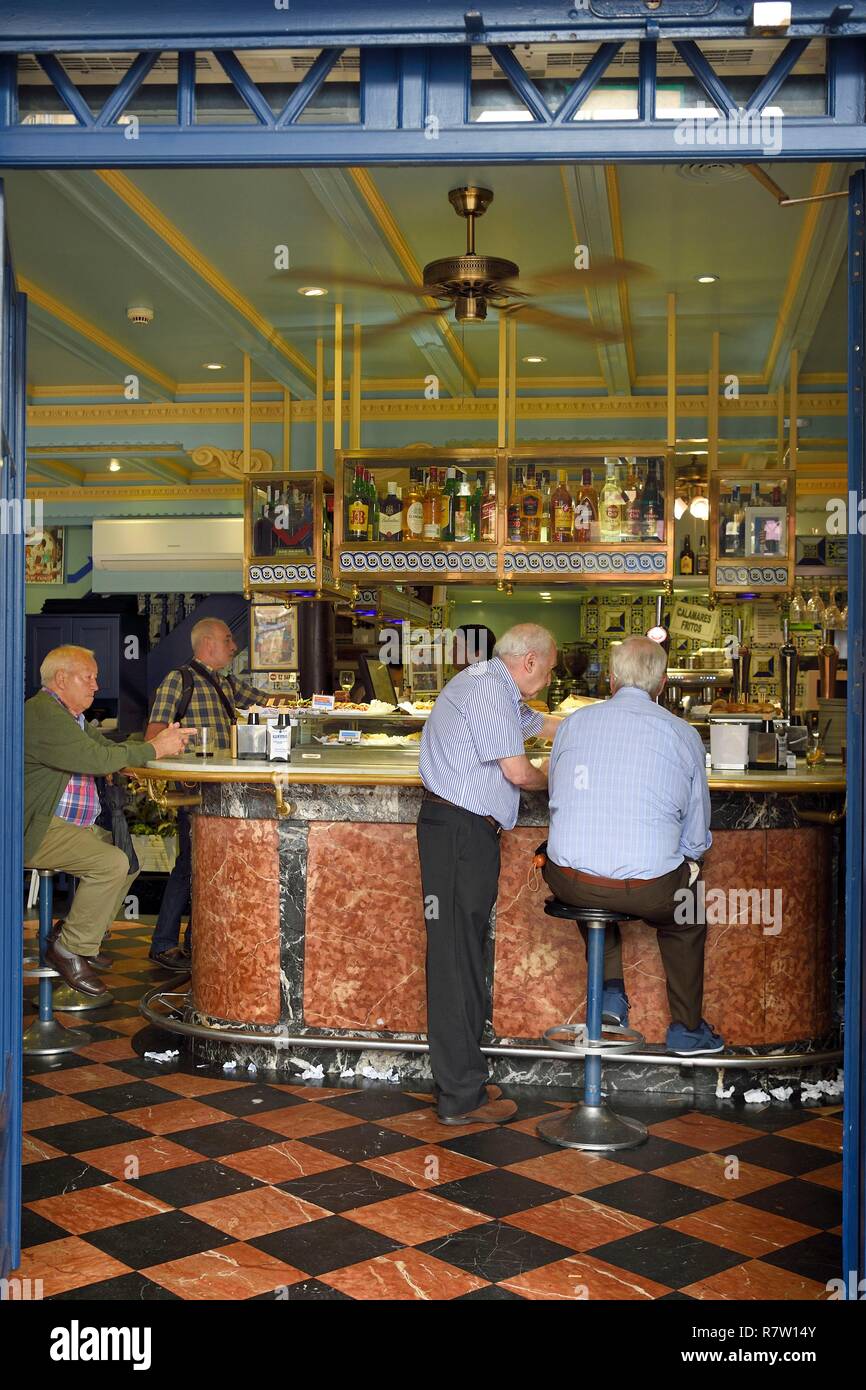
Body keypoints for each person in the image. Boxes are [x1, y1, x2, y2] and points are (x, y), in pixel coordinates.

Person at [544, 635, 723, 1056]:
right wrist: (686, 863)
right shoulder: (683, 734)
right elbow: (697, 836)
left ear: (609, 680)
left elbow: (557, 797)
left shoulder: (572, 724)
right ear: (662, 684)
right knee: (687, 912)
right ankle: (687, 1030)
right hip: (653, 889)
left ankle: (608, 996)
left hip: (571, 882)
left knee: (590, 886)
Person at [418, 623, 561, 1124]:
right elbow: (519, 772)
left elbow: (543, 725)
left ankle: (468, 1078)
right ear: (528, 662)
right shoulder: (486, 685)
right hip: (456, 833)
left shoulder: (500, 688)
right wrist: (562, 780)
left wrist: (598, 733)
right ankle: (459, 1096)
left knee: (467, 951)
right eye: (547, 668)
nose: (548, 677)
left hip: (466, 834)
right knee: (454, 958)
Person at [24, 645, 193, 997]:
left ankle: (78, 934)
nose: (96, 686)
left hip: (62, 825)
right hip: (33, 829)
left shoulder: (70, 717)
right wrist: (154, 749)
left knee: (127, 860)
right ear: (61, 679)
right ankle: (69, 948)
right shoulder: (43, 714)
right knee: (111, 863)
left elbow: (107, 748)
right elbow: (98, 758)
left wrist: (153, 744)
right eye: (89, 677)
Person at [145, 617, 272, 970]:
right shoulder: (178, 680)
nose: (234, 647)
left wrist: (322, 701)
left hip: (220, 790)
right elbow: (153, 735)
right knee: (189, 864)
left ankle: (193, 940)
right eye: (228, 639)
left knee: (206, 863)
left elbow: (273, 702)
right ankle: (164, 942)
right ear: (207, 643)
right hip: (192, 789)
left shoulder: (227, 684)